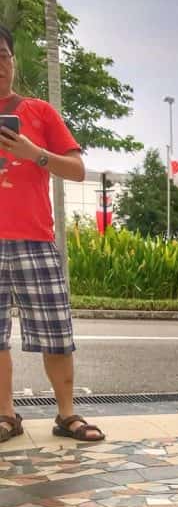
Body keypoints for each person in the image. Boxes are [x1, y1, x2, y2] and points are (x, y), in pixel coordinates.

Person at [0, 24, 104, 444]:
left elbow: (78, 169)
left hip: (34, 239)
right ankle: (5, 414)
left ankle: (66, 415)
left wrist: (34, 154)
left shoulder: (39, 112)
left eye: (3, 56)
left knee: (56, 332)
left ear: (13, 60)